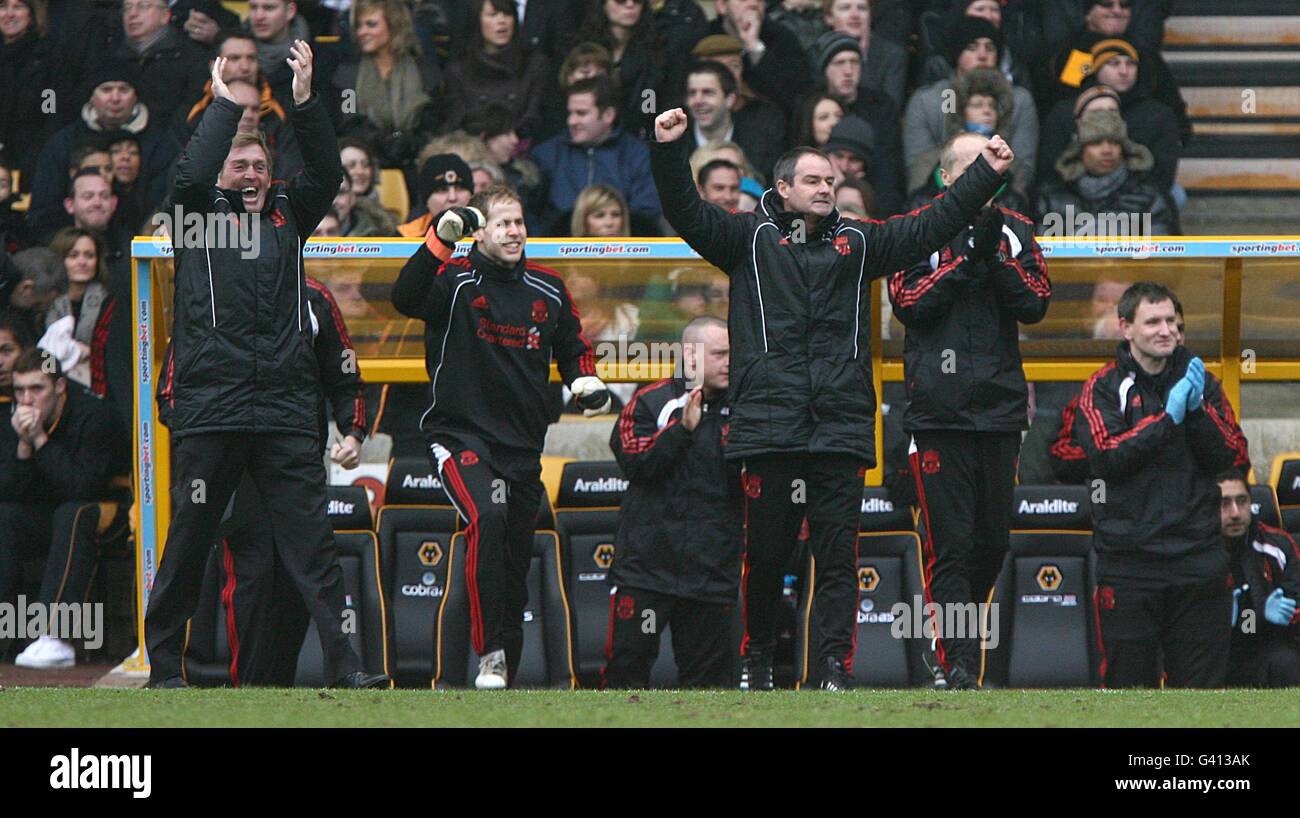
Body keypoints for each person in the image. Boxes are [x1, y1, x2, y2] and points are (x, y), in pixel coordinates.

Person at [650, 105, 1015, 690]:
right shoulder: (747, 239)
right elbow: (684, 211)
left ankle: (833, 670)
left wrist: (984, 176)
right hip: (769, 428)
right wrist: (668, 148)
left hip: (840, 429)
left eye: (832, 182)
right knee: (766, 559)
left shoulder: (859, 242)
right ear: (783, 188)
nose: (827, 189)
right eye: (815, 181)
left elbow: (929, 225)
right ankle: (758, 662)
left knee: (839, 562)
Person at [143, 43, 387, 690]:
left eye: (259, 162)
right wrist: (227, 105)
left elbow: (328, 174)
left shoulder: (288, 214)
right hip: (211, 407)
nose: (250, 171)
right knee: (190, 541)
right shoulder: (196, 215)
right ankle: (165, 667)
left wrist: (305, 101)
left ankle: (348, 666)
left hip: (283, 411)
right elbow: (190, 175)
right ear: (223, 172)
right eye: (239, 163)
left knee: (313, 551)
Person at [390, 185, 608, 688]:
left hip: (523, 449)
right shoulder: (454, 280)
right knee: (486, 518)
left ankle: (503, 670)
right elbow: (404, 297)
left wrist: (583, 380)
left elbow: (574, 347)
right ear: (480, 231)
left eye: (518, 222)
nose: (514, 232)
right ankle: (488, 655)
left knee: (512, 564)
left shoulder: (549, 288)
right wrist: (437, 243)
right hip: (458, 435)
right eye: (502, 223)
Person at [888, 131, 1051, 689]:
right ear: (947, 176)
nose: (990, 175)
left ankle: (958, 642)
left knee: (992, 543)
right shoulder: (913, 228)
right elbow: (909, 303)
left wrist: (995, 260)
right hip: (938, 413)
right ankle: (957, 664)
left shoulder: (1018, 228)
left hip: (1001, 411)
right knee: (949, 545)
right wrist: (964, 263)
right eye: (978, 165)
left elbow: (1036, 304)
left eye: (995, 166)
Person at [1075, 281, 1249, 688]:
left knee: (1200, 698)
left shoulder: (1202, 382)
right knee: (1129, 694)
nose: (1165, 329)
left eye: (1171, 320)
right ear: (1126, 328)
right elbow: (1106, 457)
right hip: (1130, 564)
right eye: (1152, 321)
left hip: (1199, 560)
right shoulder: (1102, 387)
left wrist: (1197, 414)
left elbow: (1235, 456)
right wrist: (1168, 420)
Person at [603, 315, 740, 688]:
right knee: (625, 674)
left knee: (710, 686)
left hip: (712, 573)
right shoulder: (651, 401)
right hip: (647, 570)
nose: (730, 362)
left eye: (733, 353)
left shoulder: (747, 407)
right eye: (720, 354)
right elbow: (635, 461)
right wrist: (682, 430)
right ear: (690, 356)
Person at [3, 349, 125, 668]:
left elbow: (83, 487)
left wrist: (40, 440)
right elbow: (13, 493)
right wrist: (24, 446)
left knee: (74, 512)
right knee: (6, 518)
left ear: (59, 387)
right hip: (54, 514)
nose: (27, 400)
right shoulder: (16, 420)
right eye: (20, 390)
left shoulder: (94, 415)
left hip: (112, 511)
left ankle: (54, 636)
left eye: (37, 389)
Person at [27, 62, 179, 244]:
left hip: (140, 246)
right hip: (70, 249)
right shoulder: (63, 142)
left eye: (124, 89)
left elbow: (166, 207)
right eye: (106, 89)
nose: (115, 98)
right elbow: (43, 212)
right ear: (92, 96)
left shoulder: (160, 144)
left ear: (135, 96)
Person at [903, 16, 1037, 194]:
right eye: (971, 48)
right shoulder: (929, 100)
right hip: (936, 200)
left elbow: (1024, 169)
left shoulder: (1019, 100)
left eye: (990, 48)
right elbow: (918, 168)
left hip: (1004, 199)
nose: (982, 55)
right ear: (956, 54)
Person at [532, 76, 660, 236]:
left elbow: (646, 214)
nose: (571, 121)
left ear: (608, 115)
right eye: (570, 113)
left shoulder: (638, 155)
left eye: (581, 113)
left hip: (624, 252)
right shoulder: (546, 154)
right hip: (558, 254)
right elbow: (532, 214)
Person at [178, 30, 304, 182]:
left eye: (251, 58)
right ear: (213, 66)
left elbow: (292, 172)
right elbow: (178, 182)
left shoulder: (282, 112)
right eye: (234, 58)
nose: (245, 67)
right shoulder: (193, 111)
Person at [331, 0, 442, 171]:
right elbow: (348, 119)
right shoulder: (347, 75)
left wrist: (409, 143)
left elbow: (434, 118)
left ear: (394, 24)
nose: (362, 32)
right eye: (359, 26)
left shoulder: (424, 70)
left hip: (416, 158)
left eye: (371, 24)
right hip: (366, 161)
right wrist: (382, 141)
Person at [1034, 110, 1178, 236]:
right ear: (1079, 150)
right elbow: (1039, 256)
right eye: (1096, 143)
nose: (1107, 150)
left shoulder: (1148, 196)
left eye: (1114, 143)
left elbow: (1161, 257)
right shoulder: (1051, 196)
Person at [1219, 470, 1300, 688]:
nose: (1235, 513)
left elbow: (1294, 601)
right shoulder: (1193, 551)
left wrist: (1253, 616)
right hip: (1210, 652)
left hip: (1264, 649)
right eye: (1224, 503)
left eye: (1241, 501)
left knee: (1286, 662)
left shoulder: (1278, 545)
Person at [811, 28, 903, 213]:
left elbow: (889, 172)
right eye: (839, 63)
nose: (848, 71)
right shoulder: (810, 106)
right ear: (825, 69)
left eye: (854, 62)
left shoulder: (881, 107)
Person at [441, 0, 547, 137]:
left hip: (518, 146)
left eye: (507, 14)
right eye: (493, 15)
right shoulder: (458, 71)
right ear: (476, 20)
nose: (502, 21)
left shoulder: (534, 64)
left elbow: (533, 116)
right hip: (474, 147)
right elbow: (456, 121)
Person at [40, 227, 115, 395]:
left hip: (100, 389)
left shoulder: (110, 303)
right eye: (73, 255)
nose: (82, 262)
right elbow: (44, 354)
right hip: (53, 388)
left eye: (89, 255)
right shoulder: (43, 304)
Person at [683, 60, 781, 185]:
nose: (698, 101)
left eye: (708, 92)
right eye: (692, 93)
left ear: (730, 99)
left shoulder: (761, 143)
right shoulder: (675, 145)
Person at [115, 0, 209, 125]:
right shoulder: (111, 57)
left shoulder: (192, 58)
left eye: (144, 6)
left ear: (165, 16)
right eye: (127, 7)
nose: (132, 14)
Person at [245, 0, 314, 112]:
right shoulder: (232, 51)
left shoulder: (314, 58)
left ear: (290, 11)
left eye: (269, 8)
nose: (259, 16)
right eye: (253, 7)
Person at [397, 152, 474, 236]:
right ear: (426, 200)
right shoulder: (405, 237)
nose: (452, 197)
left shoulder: (487, 232)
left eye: (460, 189)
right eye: (442, 190)